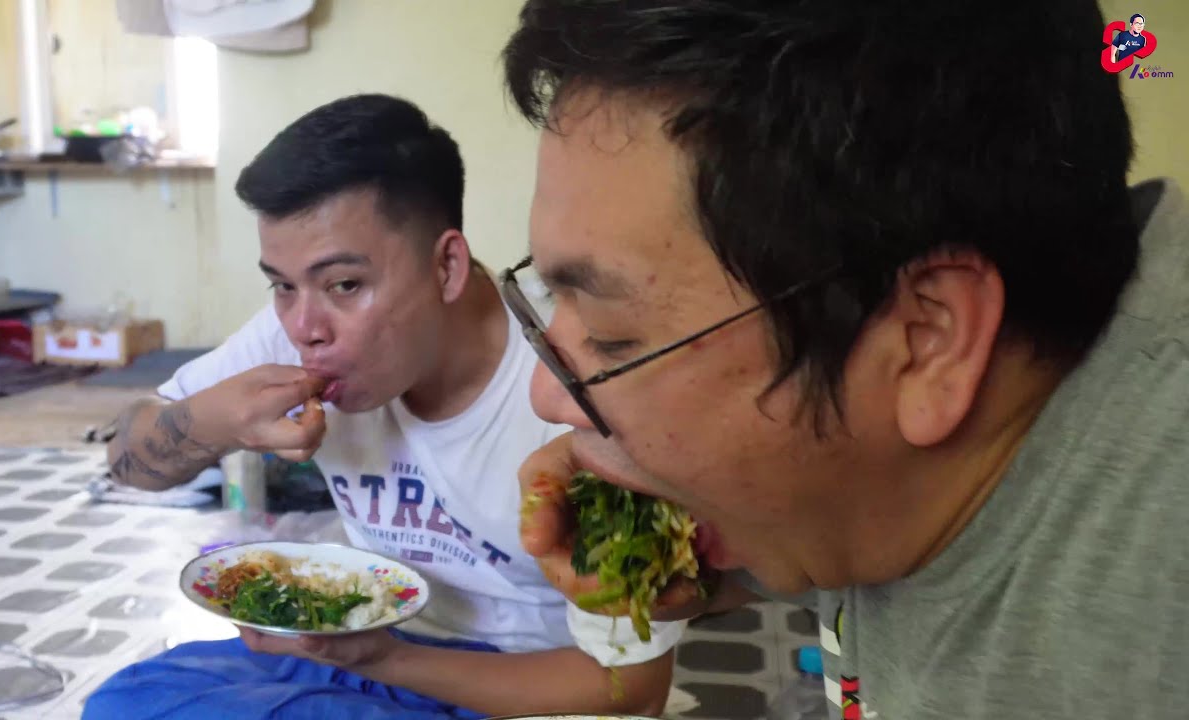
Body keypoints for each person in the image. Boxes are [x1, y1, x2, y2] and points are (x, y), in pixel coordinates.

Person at [499, 1, 1189, 718]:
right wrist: (665, 541)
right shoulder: (934, 434)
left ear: (928, 339)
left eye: (612, 333)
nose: (548, 397)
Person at [83, 93, 682, 720]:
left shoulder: (573, 374)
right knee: (126, 702)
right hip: (366, 646)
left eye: (345, 284)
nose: (305, 327)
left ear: (446, 266)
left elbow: (633, 691)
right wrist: (210, 422)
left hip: (521, 680)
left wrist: (379, 660)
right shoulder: (300, 326)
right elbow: (125, 460)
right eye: (282, 285)